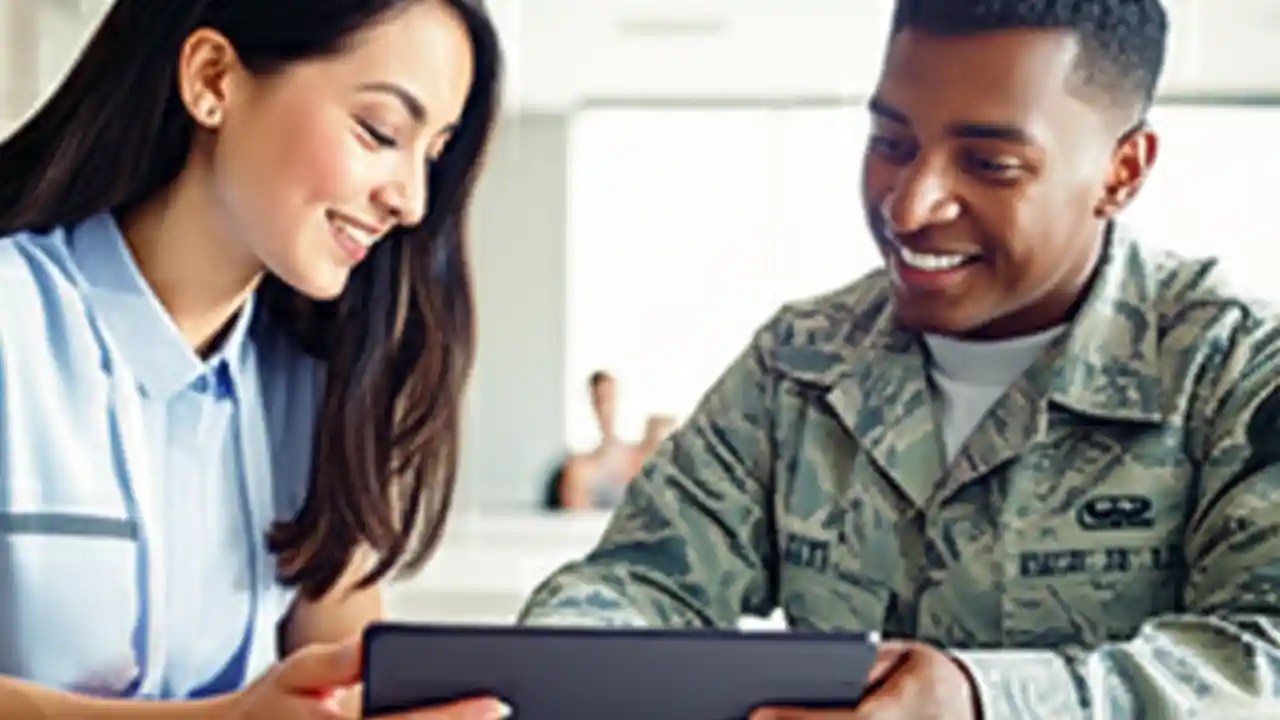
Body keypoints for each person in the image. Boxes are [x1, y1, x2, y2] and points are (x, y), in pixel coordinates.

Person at [520, 1, 1280, 717]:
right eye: (892, 144)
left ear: (1123, 171)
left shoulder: (1233, 369)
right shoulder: (800, 362)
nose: (910, 207)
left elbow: (1266, 657)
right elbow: (642, 581)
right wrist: (541, 677)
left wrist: (983, 700)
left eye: (990, 164)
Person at [0, 1, 509, 718]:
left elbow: (341, 677)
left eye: (431, 156)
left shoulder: (315, 386)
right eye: (380, 131)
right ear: (213, 79)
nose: (412, 201)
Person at [558, 371, 638, 509]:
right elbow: (576, 514)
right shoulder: (578, 467)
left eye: (610, 398)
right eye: (600, 400)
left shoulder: (640, 458)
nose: (606, 408)